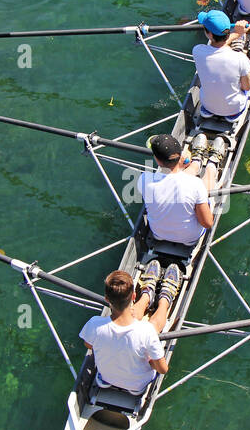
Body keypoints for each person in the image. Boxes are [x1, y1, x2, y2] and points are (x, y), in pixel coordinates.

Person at [79, 264, 181, 394]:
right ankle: (164, 299)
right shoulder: (147, 331)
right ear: (133, 296)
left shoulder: (94, 324)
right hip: (138, 385)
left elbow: (88, 344)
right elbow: (163, 369)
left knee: (138, 324)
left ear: (106, 299)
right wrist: (149, 359)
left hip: (105, 379)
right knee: (152, 326)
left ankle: (148, 295)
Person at [139, 133, 219, 246]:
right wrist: (179, 166)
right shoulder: (196, 184)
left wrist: (180, 167)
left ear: (157, 160)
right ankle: (212, 164)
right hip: (190, 238)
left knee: (191, 187)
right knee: (202, 189)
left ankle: (197, 162)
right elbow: (208, 223)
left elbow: (172, 179)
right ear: (180, 155)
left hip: (158, 234)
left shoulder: (144, 179)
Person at [192, 9, 250, 119]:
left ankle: (238, 47)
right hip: (234, 110)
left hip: (207, 106)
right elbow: (246, 88)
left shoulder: (197, 51)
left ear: (209, 34)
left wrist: (236, 34)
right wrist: (238, 33)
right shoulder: (240, 59)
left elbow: (215, 47)